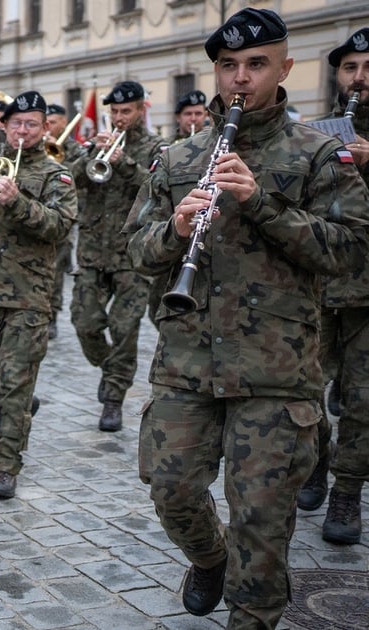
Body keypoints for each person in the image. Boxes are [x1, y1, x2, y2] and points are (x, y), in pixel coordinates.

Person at [124, 9, 369, 626]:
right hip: (187, 362)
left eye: (256, 64)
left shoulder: (321, 154)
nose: (241, 78)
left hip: (276, 371)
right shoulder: (178, 157)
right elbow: (136, 249)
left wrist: (261, 202)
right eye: (229, 66)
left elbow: (352, 251)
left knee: (262, 520)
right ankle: (209, 556)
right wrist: (175, 231)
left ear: (285, 68)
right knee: (172, 491)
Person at [0, 91, 76, 499]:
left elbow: (58, 227)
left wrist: (17, 202)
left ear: (44, 129)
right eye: (16, 123)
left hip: (28, 296)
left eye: (32, 124)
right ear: (5, 127)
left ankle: (4, 466)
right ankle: (20, 412)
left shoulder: (56, 175)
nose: (23, 131)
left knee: (12, 385)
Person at [298, 26, 369, 546]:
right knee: (304, 386)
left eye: (368, 69)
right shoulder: (317, 130)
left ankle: (348, 488)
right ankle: (318, 460)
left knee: (363, 400)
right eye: (350, 68)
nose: (359, 78)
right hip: (322, 284)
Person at [69, 79, 166, 432]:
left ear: (142, 110)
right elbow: (69, 181)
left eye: (127, 111)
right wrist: (88, 156)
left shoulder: (158, 148)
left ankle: (113, 398)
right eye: (115, 112)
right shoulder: (95, 145)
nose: (120, 118)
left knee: (124, 329)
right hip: (93, 252)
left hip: (132, 255)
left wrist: (123, 162)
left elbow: (157, 189)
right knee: (85, 324)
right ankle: (111, 370)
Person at [44, 103, 86, 339]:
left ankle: (52, 316)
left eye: (55, 121)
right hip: (39, 213)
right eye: (46, 121)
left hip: (63, 216)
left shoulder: (74, 149)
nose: (50, 125)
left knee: (57, 270)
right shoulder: (39, 145)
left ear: (64, 122)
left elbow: (75, 176)